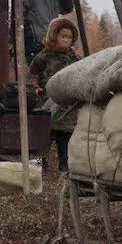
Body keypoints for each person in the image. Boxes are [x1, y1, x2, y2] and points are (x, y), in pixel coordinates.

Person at [28, 15, 82, 172]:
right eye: (63, 36)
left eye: (69, 37)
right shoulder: (45, 56)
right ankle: (40, 162)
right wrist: (36, 87)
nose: (66, 40)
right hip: (48, 102)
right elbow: (33, 74)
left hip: (67, 105)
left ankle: (64, 164)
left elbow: (81, 73)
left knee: (65, 136)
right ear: (54, 36)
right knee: (45, 135)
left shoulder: (74, 58)